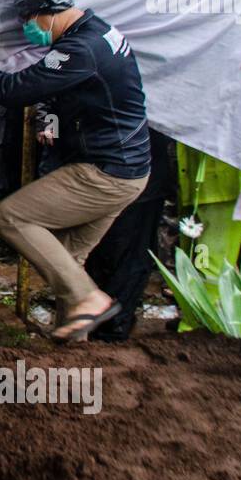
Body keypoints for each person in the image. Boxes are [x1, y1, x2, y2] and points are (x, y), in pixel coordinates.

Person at [0, 0, 151, 343]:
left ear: (46, 13)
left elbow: (15, 89)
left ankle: (90, 298)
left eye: (28, 19)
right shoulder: (98, 31)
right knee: (67, 263)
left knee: (12, 217)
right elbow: (66, 91)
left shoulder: (79, 49)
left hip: (106, 172)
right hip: (130, 171)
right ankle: (72, 351)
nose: (27, 28)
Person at [83, 129, 177, 342]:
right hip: (107, 173)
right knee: (104, 253)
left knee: (130, 255)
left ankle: (113, 326)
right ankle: (105, 322)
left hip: (138, 174)